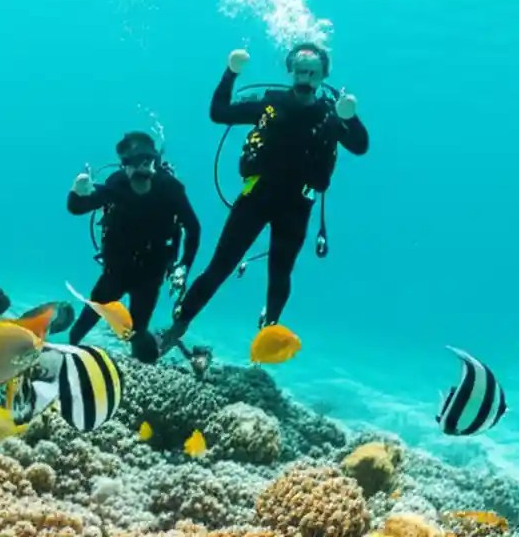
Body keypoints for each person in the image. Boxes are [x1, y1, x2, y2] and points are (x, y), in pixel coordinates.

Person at [158, 44, 369, 354]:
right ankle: (177, 328)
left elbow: (360, 146)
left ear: (324, 75)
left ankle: (267, 335)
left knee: (280, 273)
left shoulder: (331, 114)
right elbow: (219, 112)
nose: (305, 78)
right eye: (300, 71)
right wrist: (230, 73)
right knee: (220, 265)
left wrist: (351, 119)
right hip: (256, 197)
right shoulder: (271, 103)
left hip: (296, 205)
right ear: (290, 71)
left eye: (312, 72)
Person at [67, 131, 201, 363]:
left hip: (151, 270)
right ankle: (69, 352)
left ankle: (136, 369)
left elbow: (193, 228)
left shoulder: (170, 188)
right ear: (124, 164)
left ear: (154, 162)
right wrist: (76, 193)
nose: (139, 168)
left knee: (138, 330)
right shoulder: (117, 183)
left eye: (145, 161)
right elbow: (79, 207)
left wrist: (184, 265)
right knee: (90, 316)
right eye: (131, 162)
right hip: (117, 267)